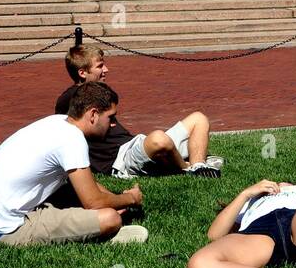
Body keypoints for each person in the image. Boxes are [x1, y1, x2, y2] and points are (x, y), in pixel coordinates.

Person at [0, 81, 148, 247]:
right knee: (110, 218)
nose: (113, 124)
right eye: (111, 117)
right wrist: (131, 199)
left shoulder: (58, 123)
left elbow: (85, 184)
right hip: (6, 229)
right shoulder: (72, 140)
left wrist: (114, 200)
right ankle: (104, 233)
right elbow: (93, 202)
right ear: (93, 114)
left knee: (84, 198)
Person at [55, 46, 222, 178]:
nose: (106, 69)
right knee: (158, 139)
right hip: (120, 160)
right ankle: (187, 167)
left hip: (134, 144)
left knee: (199, 118)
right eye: (100, 66)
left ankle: (199, 165)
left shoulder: (96, 92)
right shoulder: (71, 99)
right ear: (82, 73)